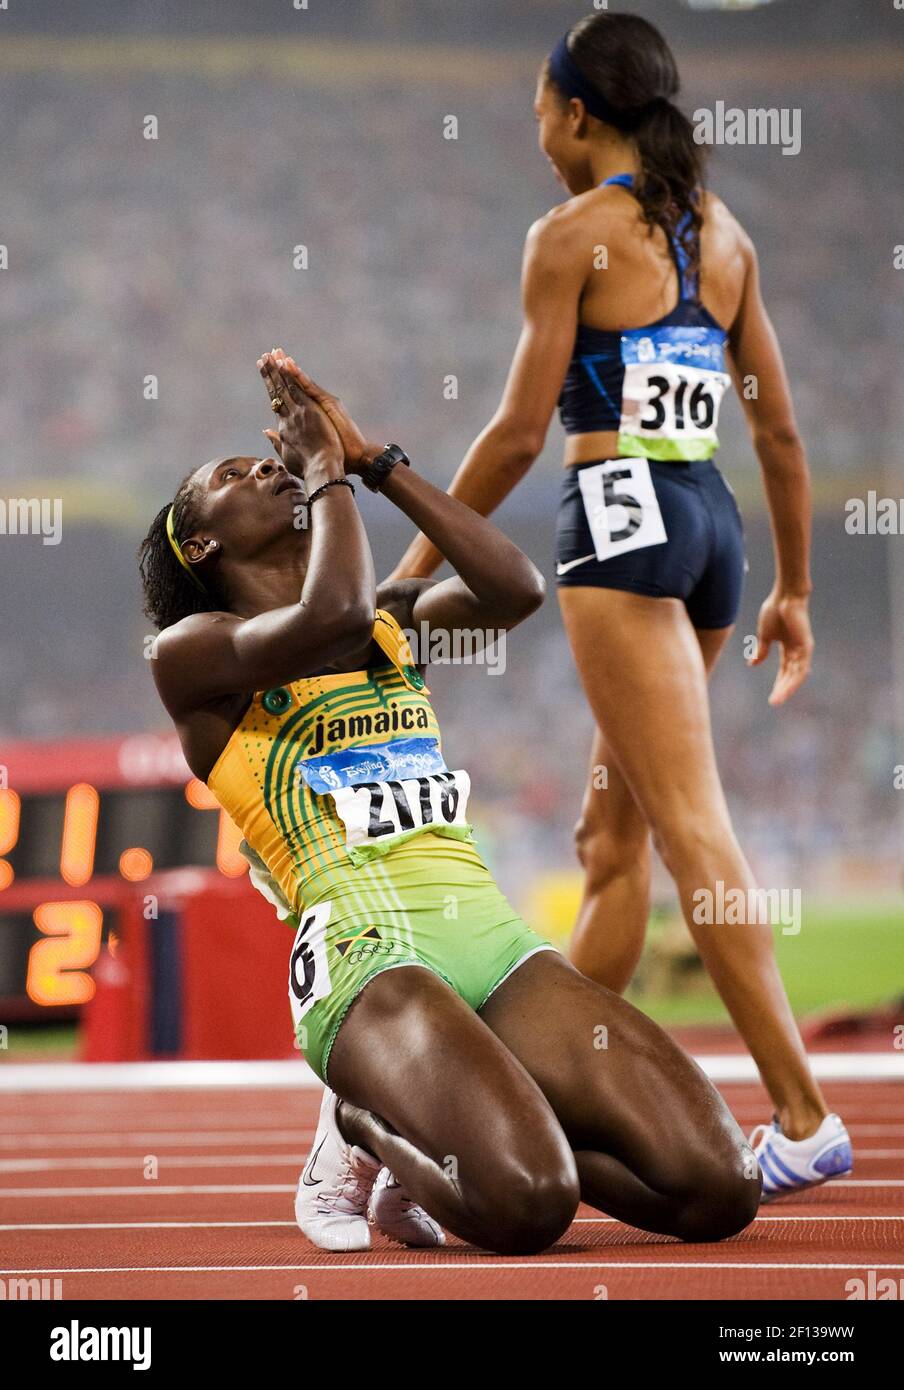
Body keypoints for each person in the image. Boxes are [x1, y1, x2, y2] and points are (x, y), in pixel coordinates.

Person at [138, 349, 759, 1254]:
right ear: (201, 546)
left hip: (491, 941)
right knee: (528, 1207)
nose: (265, 468)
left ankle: (484, 1117)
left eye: (266, 462)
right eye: (234, 475)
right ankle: (362, 1120)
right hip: (367, 961)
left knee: (719, 1188)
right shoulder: (195, 653)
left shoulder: (396, 619)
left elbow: (515, 589)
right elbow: (332, 617)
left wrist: (376, 464)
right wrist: (323, 471)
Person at [389, 12, 852, 1198]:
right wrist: (794, 589)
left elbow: (516, 433)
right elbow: (780, 436)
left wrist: (409, 568)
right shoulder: (725, 237)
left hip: (621, 517)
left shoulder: (570, 236)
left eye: (538, 113)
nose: (536, 135)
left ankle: (802, 1115)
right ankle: (535, 1090)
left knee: (690, 826)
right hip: (710, 529)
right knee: (612, 841)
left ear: (579, 113)